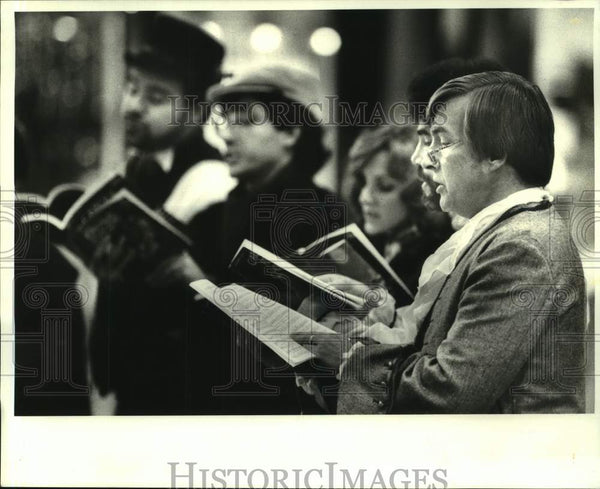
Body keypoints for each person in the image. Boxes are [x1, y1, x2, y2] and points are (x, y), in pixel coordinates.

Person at [295, 71, 586, 414]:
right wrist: (384, 316)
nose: (421, 159)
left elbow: (449, 390)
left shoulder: (521, 246)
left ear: (495, 154)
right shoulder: (502, 233)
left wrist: (348, 356)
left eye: (441, 141)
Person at [87, 13, 226, 414]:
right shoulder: (138, 170)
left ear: (197, 110)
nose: (131, 106)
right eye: (131, 89)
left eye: (155, 97)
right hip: (131, 393)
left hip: (185, 400)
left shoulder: (219, 184)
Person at [187, 63, 344, 414]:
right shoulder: (210, 217)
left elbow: (310, 336)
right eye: (223, 120)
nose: (226, 135)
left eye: (244, 120)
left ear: (290, 131)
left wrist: (194, 280)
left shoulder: (324, 215)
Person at [345, 125, 451, 294]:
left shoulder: (439, 256)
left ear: (418, 192)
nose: (364, 197)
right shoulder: (361, 240)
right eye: (362, 181)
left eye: (384, 186)